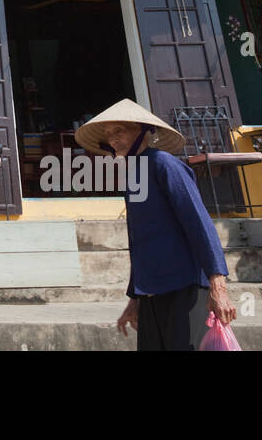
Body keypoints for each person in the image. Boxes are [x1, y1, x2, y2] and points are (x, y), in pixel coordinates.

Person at [74, 98, 237, 351]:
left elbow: (200, 224)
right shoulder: (133, 177)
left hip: (185, 289)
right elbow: (138, 241)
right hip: (152, 292)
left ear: (144, 132)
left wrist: (219, 286)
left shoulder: (166, 165)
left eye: (119, 130)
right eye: (108, 134)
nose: (113, 139)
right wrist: (134, 300)